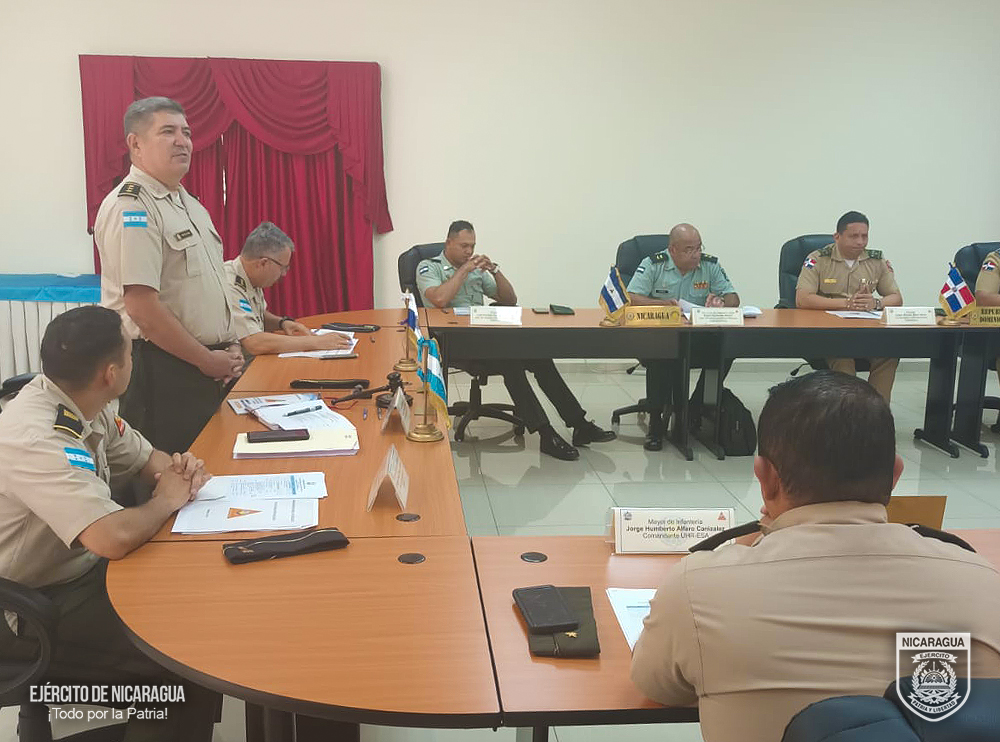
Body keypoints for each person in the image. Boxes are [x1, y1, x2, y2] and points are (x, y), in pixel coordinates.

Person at [630, 371, 1000, 742]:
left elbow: (658, 687)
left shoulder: (698, 591)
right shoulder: (982, 583)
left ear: (765, 477)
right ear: (895, 475)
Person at [0, 306, 219, 740]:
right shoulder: (35, 436)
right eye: (132, 355)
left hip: (76, 575)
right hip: (27, 606)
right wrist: (166, 500)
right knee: (183, 663)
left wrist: (181, 472)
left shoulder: (84, 403)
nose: (135, 362)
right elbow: (111, 537)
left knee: (193, 607)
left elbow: (147, 460)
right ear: (112, 371)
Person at [94, 96, 244, 455]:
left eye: (187, 132)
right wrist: (208, 361)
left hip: (204, 366)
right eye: (168, 131)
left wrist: (230, 345)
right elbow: (141, 307)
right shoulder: (133, 205)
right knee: (173, 482)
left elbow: (211, 286)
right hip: (162, 369)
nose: (183, 140)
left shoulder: (189, 205)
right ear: (135, 144)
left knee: (209, 469)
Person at [416, 220, 615, 461]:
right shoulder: (428, 267)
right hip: (453, 341)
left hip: (486, 337)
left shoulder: (476, 270)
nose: (469, 251)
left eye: (473, 246)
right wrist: (463, 271)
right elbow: (438, 300)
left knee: (539, 357)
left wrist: (495, 270)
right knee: (511, 362)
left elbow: (509, 299)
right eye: (464, 246)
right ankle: (545, 433)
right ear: (448, 243)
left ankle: (579, 424)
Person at [625, 223, 739, 451]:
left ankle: (695, 408)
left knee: (725, 351)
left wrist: (721, 302)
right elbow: (632, 297)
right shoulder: (653, 264)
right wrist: (663, 305)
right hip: (659, 339)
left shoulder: (709, 265)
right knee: (660, 355)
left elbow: (734, 298)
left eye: (698, 248)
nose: (696, 254)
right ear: (672, 250)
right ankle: (656, 425)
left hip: (696, 339)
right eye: (689, 250)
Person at [795, 211, 903, 401]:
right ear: (837, 236)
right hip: (831, 332)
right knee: (843, 358)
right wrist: (846, 304)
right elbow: (802, 299)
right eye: (854, 236)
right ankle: (849, 413)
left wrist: (876, 303)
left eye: (865, 236)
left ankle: (876, 413)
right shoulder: (818, 258)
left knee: (889, 355)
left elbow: (896, 298)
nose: (860, 241)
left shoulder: (876, 260)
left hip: (866, 330)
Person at [224, 221, 353, 357]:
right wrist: (316, 342)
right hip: (236, 371)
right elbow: (254, 342)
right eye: (283, 267)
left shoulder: (250, 277)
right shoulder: (230, 284)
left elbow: (255, 315)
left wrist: (282, 323)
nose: (284, 274)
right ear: (263, 263)